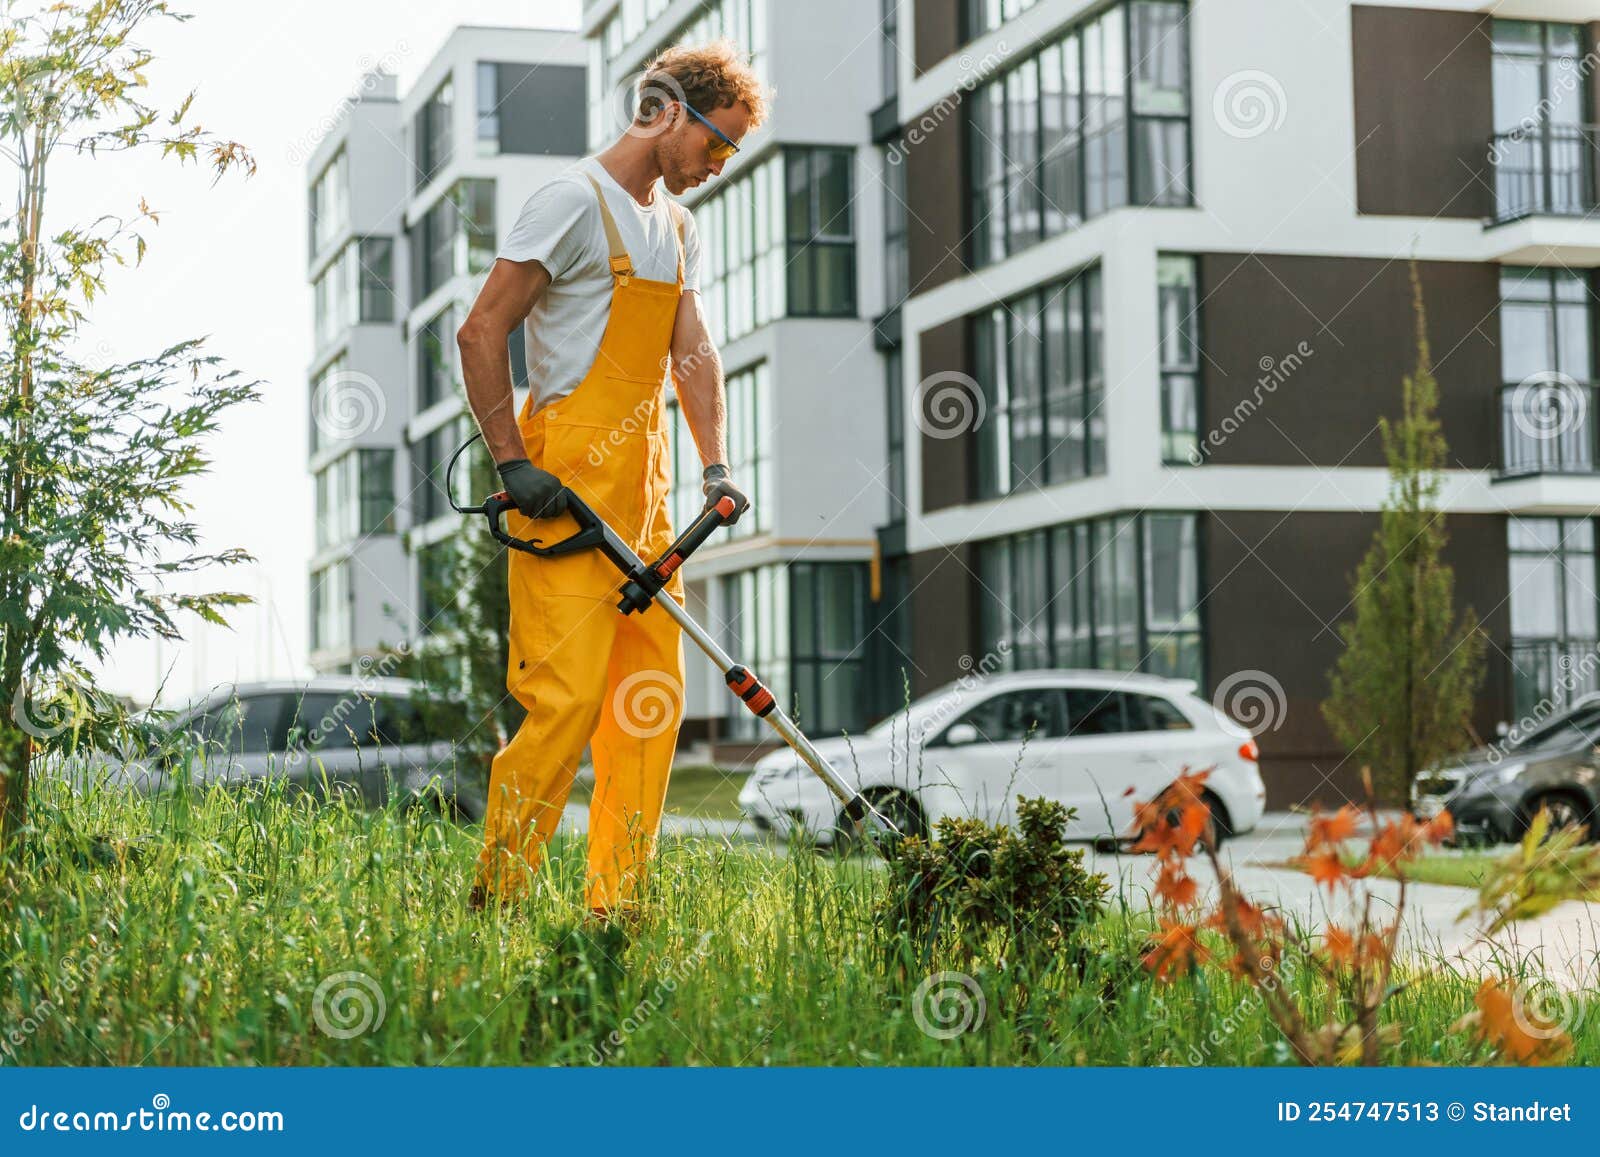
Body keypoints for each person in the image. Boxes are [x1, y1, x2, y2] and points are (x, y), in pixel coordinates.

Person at [457, 39, 767, 919]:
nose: (719, 164)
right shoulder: (569, 201)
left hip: (648, 496)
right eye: (718, 144)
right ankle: (498, 903)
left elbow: (693, 353)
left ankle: (614, 911)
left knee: (646, 705)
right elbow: (482, 333)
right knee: (565, 702)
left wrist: (717, 465)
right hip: (562, 493)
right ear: (669, 111)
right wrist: (512, 462)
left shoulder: (675, 227)